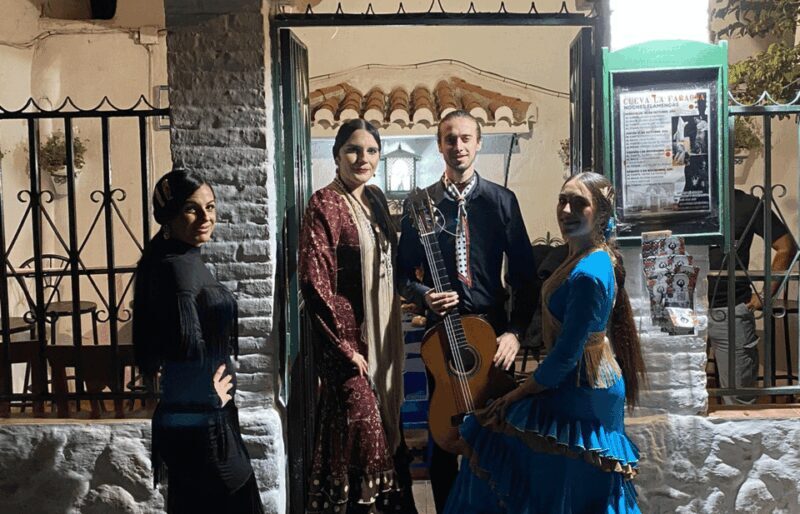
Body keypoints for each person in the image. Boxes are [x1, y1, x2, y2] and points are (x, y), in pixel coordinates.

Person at [444, 171, 646, 514]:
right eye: (562, 200)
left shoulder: (590, 272)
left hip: (583, 392)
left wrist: (516, 393)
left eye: (579, 203)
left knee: (492, 434)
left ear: (600, 213)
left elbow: (567, 354)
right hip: (577, 382)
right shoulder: (582, 257)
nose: (566, 210)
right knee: (558, 483)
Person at [397, 110, 536, 512]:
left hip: (491, 334)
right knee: (443, 438)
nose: (457, 147)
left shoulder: (501, 201)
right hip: (441, 335)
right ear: (439, 145)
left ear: (478, 143)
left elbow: (525, 277)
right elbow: (403, 273)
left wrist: (514, 331)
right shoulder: (420, 203)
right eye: (449, 139)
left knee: (497, 434)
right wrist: (424, 294)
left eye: (465, 139)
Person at [299, 119, 417, 513]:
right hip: (350, 346)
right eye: (353, 149)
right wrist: (344, 347)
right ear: (336, 155)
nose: (362, 158)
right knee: (362, 435)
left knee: (382, 430)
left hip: (383, 338)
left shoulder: (378, 200)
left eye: (370, 151)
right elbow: (314, 281)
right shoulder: (324, 204)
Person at [133, 169, 264, 513]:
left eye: (211, 207)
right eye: (193, 209)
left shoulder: (181, 258)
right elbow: (182, 349)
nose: (206, 217)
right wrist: (207, 396)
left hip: (204, 422)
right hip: (200, 426)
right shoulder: (175, 269)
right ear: (169, 216)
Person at [708, 188, 796, 404]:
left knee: (739, 399)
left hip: (731, 309)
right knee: (678, 395)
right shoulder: (681, 202)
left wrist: (766, 294)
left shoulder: (747, 204)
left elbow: (786, 247)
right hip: (681, 310)